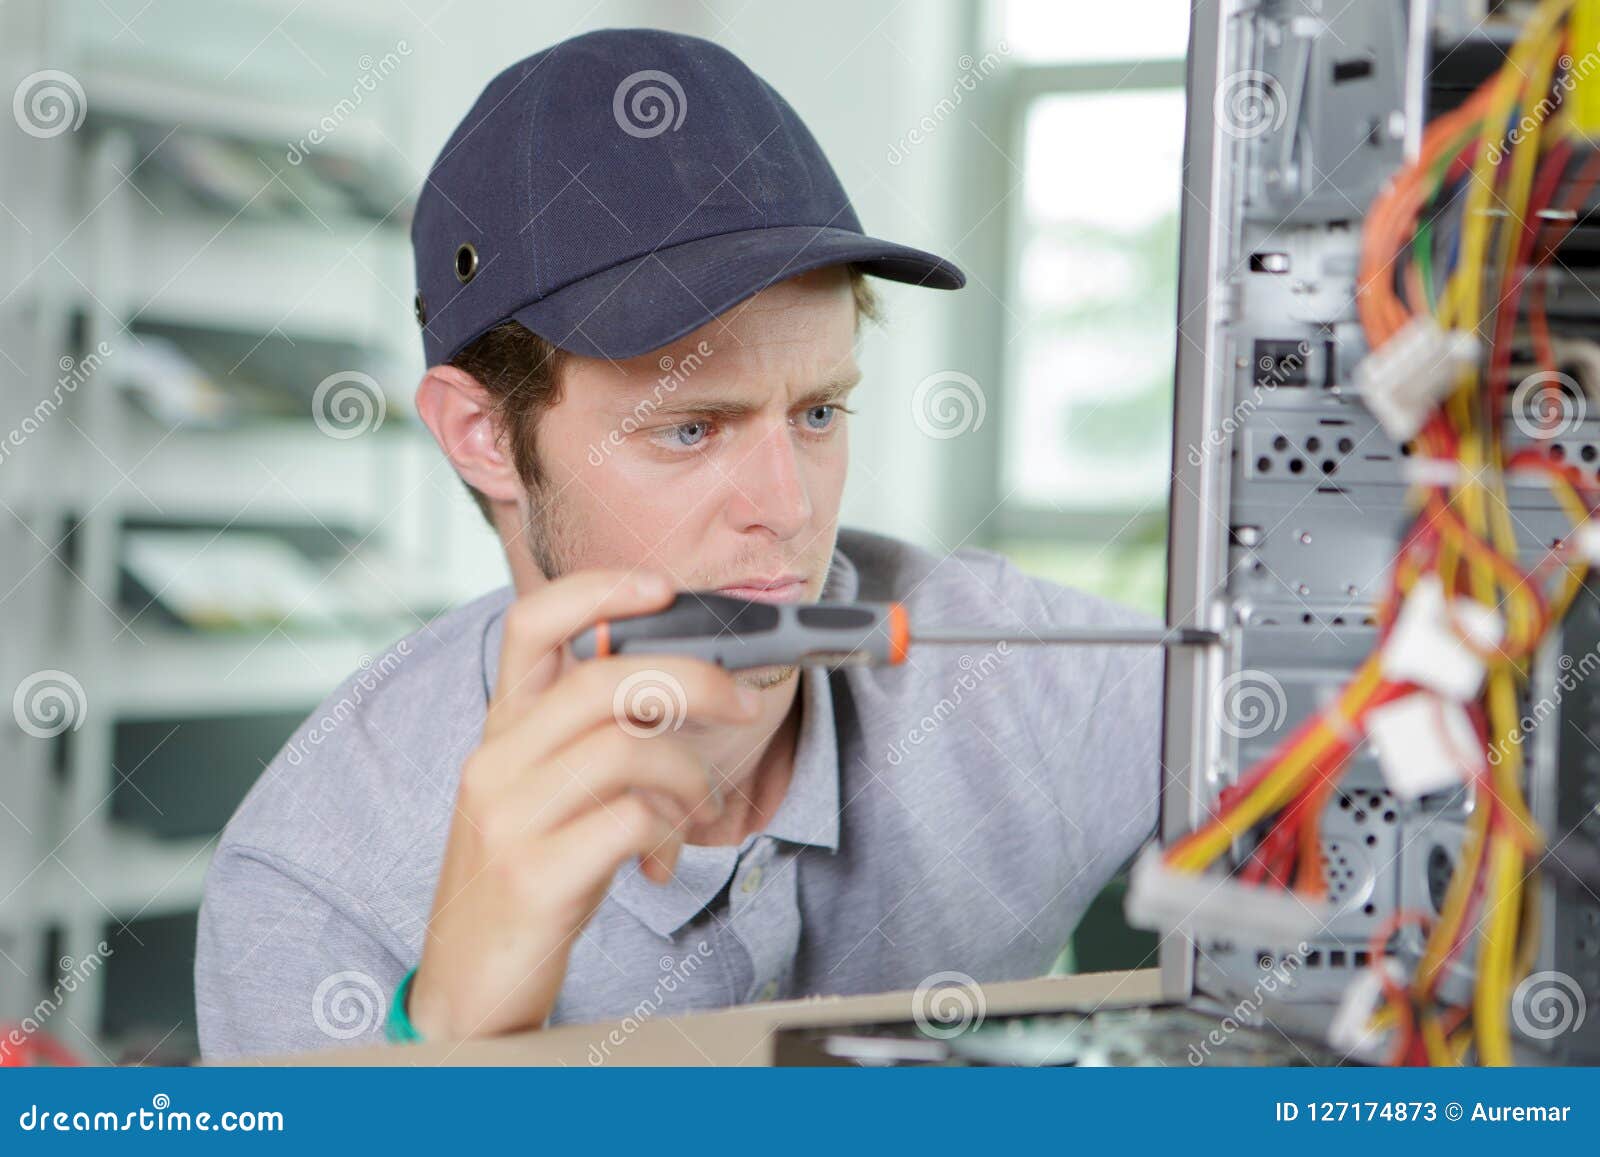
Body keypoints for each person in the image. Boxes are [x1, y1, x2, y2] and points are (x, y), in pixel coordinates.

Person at [194, 27, 1160, 1058]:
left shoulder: (1003, 664)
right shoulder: (311, 882)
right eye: (689, 427)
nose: (785, 508)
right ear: (483, 437)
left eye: (819, 413)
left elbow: (1337, 757)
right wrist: (451, 1038)